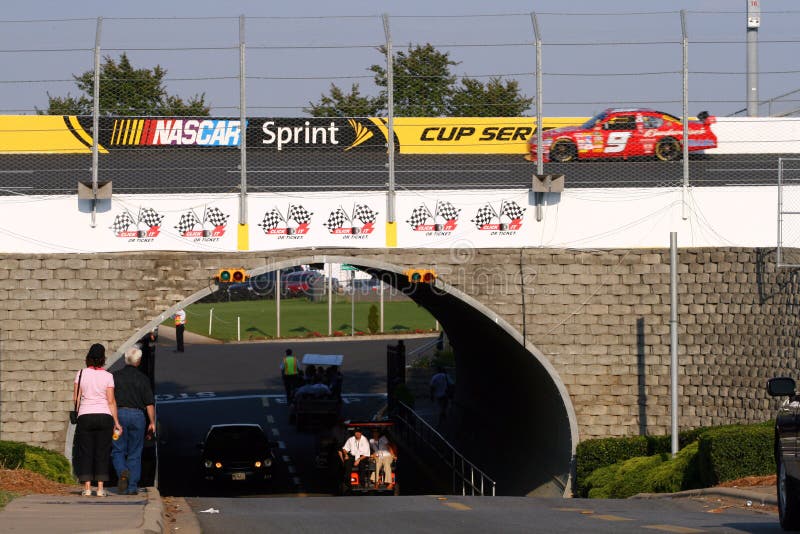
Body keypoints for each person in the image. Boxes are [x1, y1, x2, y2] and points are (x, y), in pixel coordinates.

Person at [73, 343, 122, 497]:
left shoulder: (80, 374)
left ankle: (87, 487)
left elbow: (76, 397)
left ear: (88, 358)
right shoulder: (108, 376)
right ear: (103, 359)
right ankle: (100, 488)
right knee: (102, 451)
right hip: (104, 416)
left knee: (85, 451)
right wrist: (117, 422)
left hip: (85, 415)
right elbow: (111, 401)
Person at [111, 347, 156, 495]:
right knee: (135, 452)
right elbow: (149, 403)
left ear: (125, 359)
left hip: (120, 414)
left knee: (118, 449)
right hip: (138, 416)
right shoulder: (143, 379)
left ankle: (122, 470)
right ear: (138, 361)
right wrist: (152, 422)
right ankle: (132, 487)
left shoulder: (115, 377)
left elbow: (110, 399)